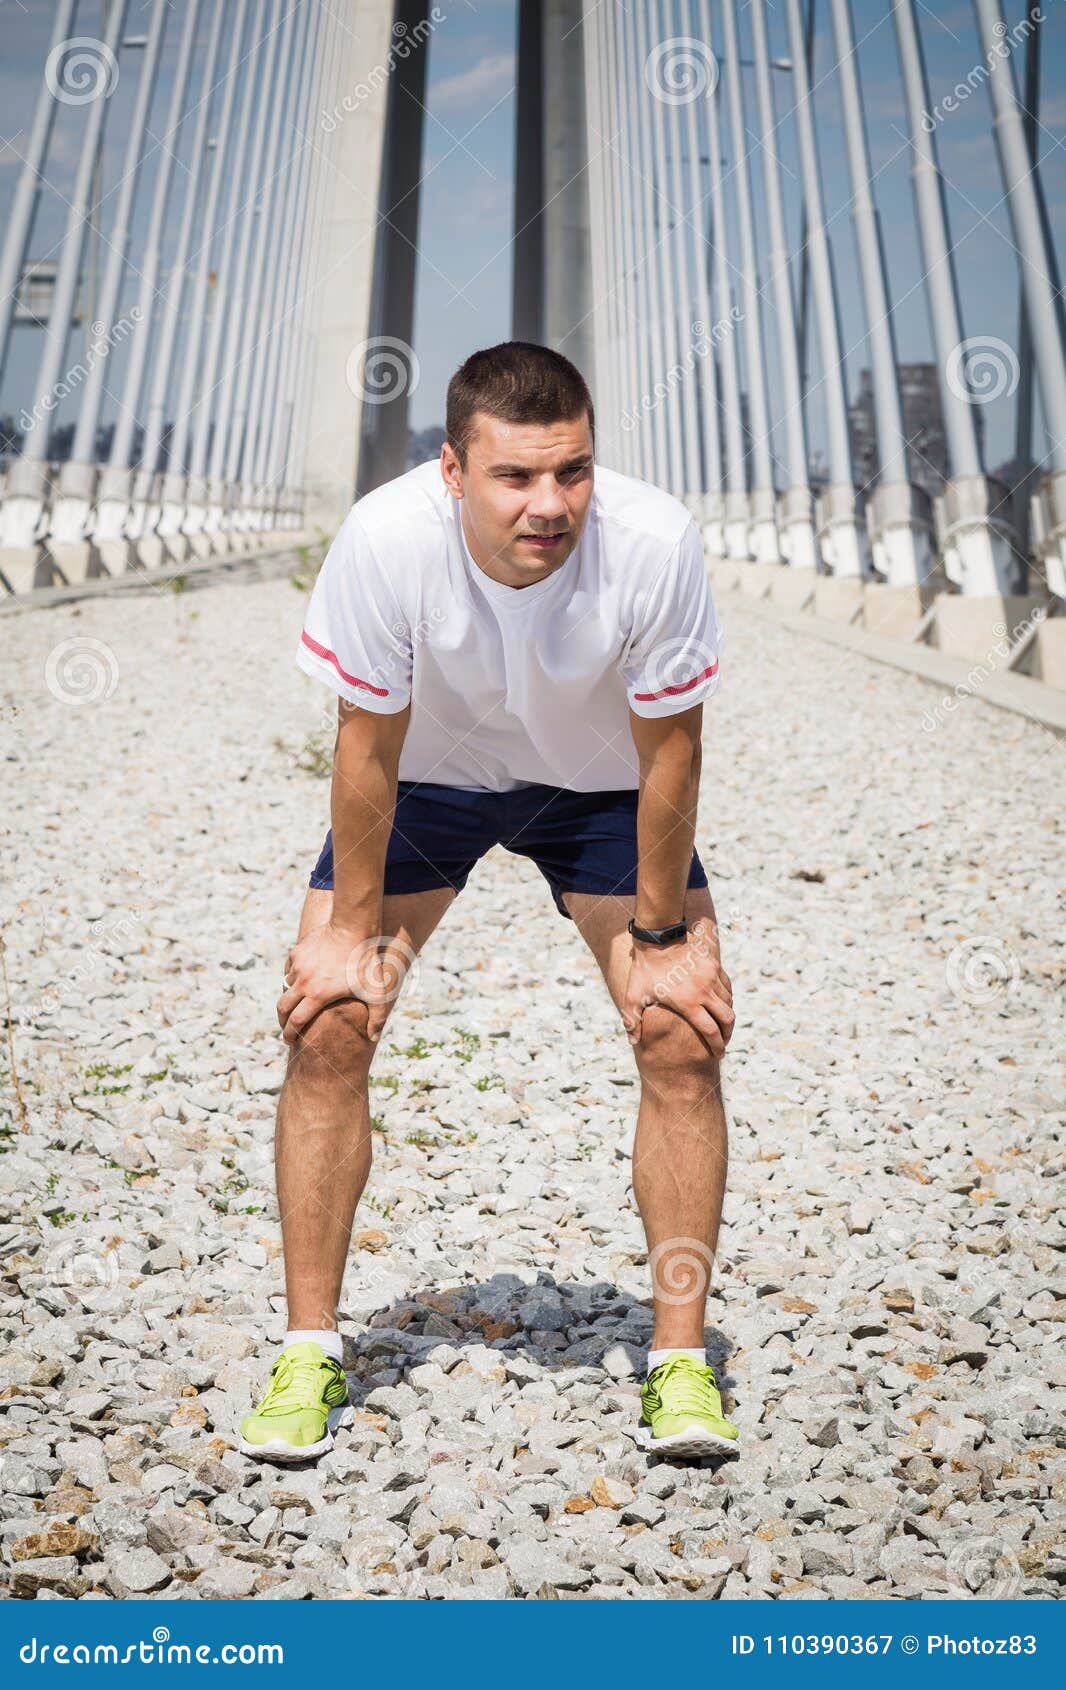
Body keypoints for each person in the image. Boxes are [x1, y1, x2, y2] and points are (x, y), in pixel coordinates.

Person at [239, 342, 737, 1465]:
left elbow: (672, 749)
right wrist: (348, 939)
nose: (549, 505)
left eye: (572, 471)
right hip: (431, 780)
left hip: (597, 786)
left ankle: (678, 1364)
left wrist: (665, 938)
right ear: (453, 470)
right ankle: (309, 1348)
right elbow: (366, 743)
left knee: (679, 1030)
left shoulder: (653, 540)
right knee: (329, 1021)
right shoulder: (386, 538)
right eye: (515, 476)